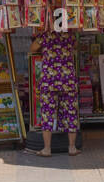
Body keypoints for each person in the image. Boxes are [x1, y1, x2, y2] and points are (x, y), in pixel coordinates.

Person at [29, 24, 80, 156]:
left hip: (49, 81)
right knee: (70, 112)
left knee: (47, 113)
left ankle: (47, 149)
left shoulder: (45, 35)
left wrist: (45, 50)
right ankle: (72, 147)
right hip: (67, 80)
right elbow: (76, 46)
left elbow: (33, 48)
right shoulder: (70, 35)